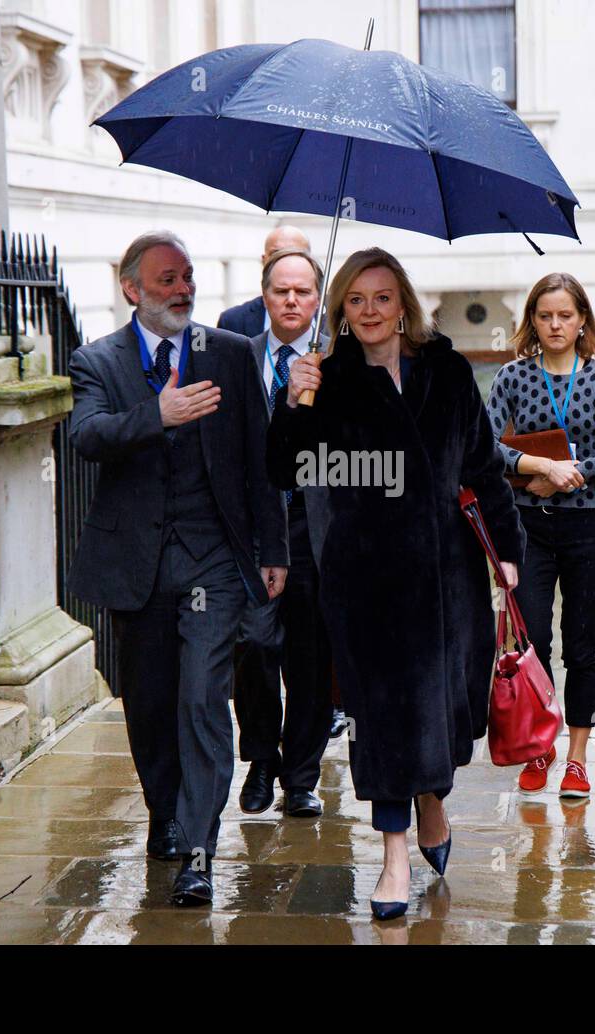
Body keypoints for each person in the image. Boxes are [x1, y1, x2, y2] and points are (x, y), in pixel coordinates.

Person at [268, 247, 524, 920]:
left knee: (439, 708)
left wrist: (509, 551)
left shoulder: (445, 370)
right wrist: (295, 401)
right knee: (383, 714)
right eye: (356, 300)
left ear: (403, 303)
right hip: (364, 577)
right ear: (341, 310)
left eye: (382, 297)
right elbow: (284, 469)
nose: (371, 310)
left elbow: (485, 465)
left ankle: (433, 802)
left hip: (446, 575)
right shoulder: (327, 376)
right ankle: (392, 858)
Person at [66, 230, 288, 908]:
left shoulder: (228, 354)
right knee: (152, 708)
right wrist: (153, 414)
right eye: (166, 279)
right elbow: (84, 437)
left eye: (187, 276)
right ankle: (165, 813)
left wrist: (273, 547)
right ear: (132, 288)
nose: (182, 288)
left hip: (213, 563)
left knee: (201, 701)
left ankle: (198, 851)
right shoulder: (96, 361)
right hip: (137, 568)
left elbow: (260, 458)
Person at [484, 272, 595, 800]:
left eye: (564, 316)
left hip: (588, 525)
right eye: (545, 316)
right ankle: (541, 742)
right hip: (527, 525)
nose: (554, 325)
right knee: (535, 643)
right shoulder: (512, 378)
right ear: (531, 320)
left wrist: (577, 470)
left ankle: (576, 758)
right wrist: (539, 465)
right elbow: (482, 444)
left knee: (582, 646)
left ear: (582, 321)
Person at [232, 247, 335, 817]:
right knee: (253, 645)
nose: (292, 300)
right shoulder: (235, 356)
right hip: (253, 530)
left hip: (312, 524)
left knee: (311, 655)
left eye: (303, 291)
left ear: (317, 299)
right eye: (281, 291)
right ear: (264, 296)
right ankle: (260, 760)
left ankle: (300, 774)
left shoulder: (335, 366)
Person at [217, 224, 311, 338]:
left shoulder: (335, 320)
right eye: (276, 254)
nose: (285, 262)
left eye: (295, 255)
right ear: (263, 260)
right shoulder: (232, 322)